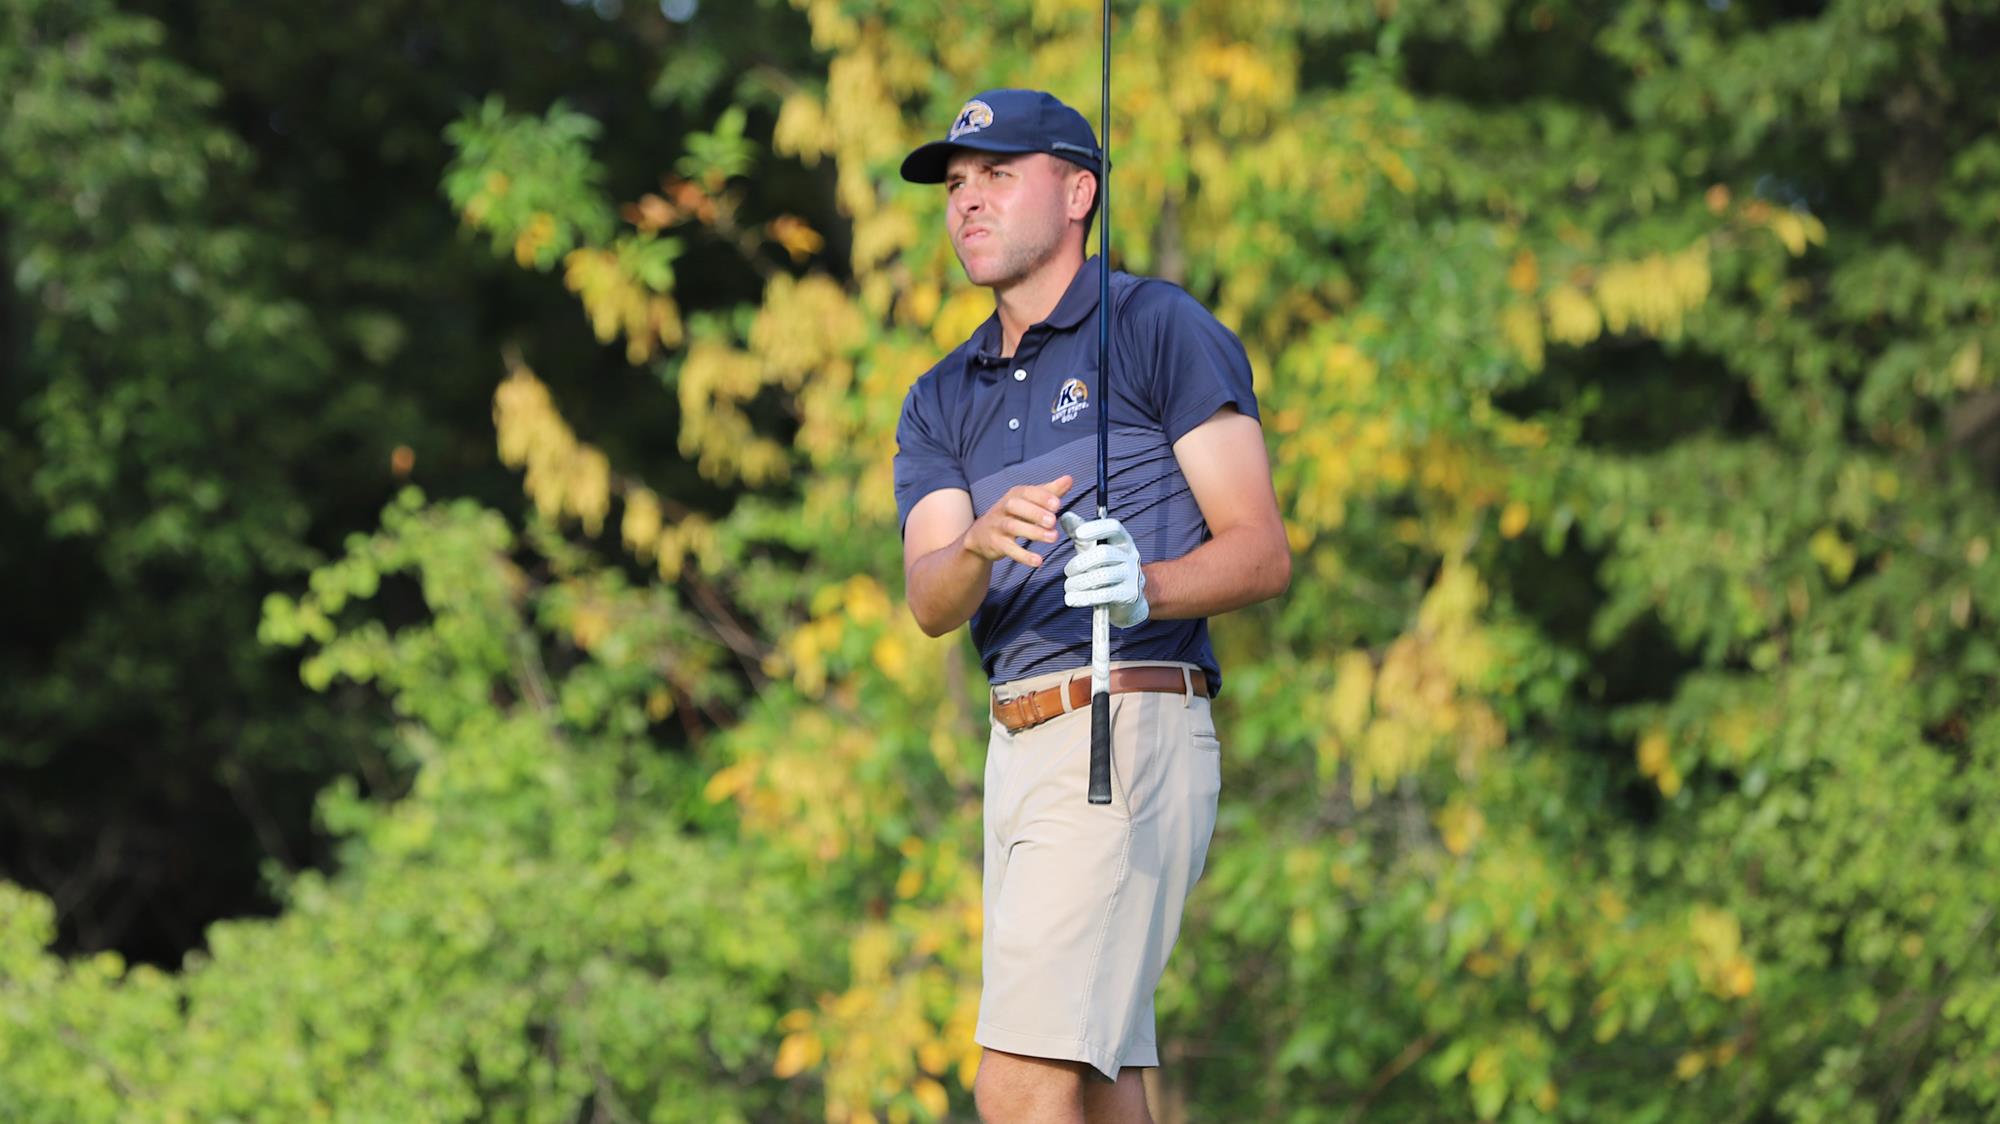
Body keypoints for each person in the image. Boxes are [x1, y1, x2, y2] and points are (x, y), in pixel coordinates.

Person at [892, 88, 1290, 1124]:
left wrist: (1145, 582)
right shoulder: (942, 392)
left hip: (1123, 721)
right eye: (954, 184)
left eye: (996, 175)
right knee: (1100, 1083)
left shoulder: (1156, 326)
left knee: (1019, 1083)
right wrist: (975, 543)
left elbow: (1259, 550)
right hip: (1015, 748)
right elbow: (930, 599)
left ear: (1077, 191)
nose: (965, 202)